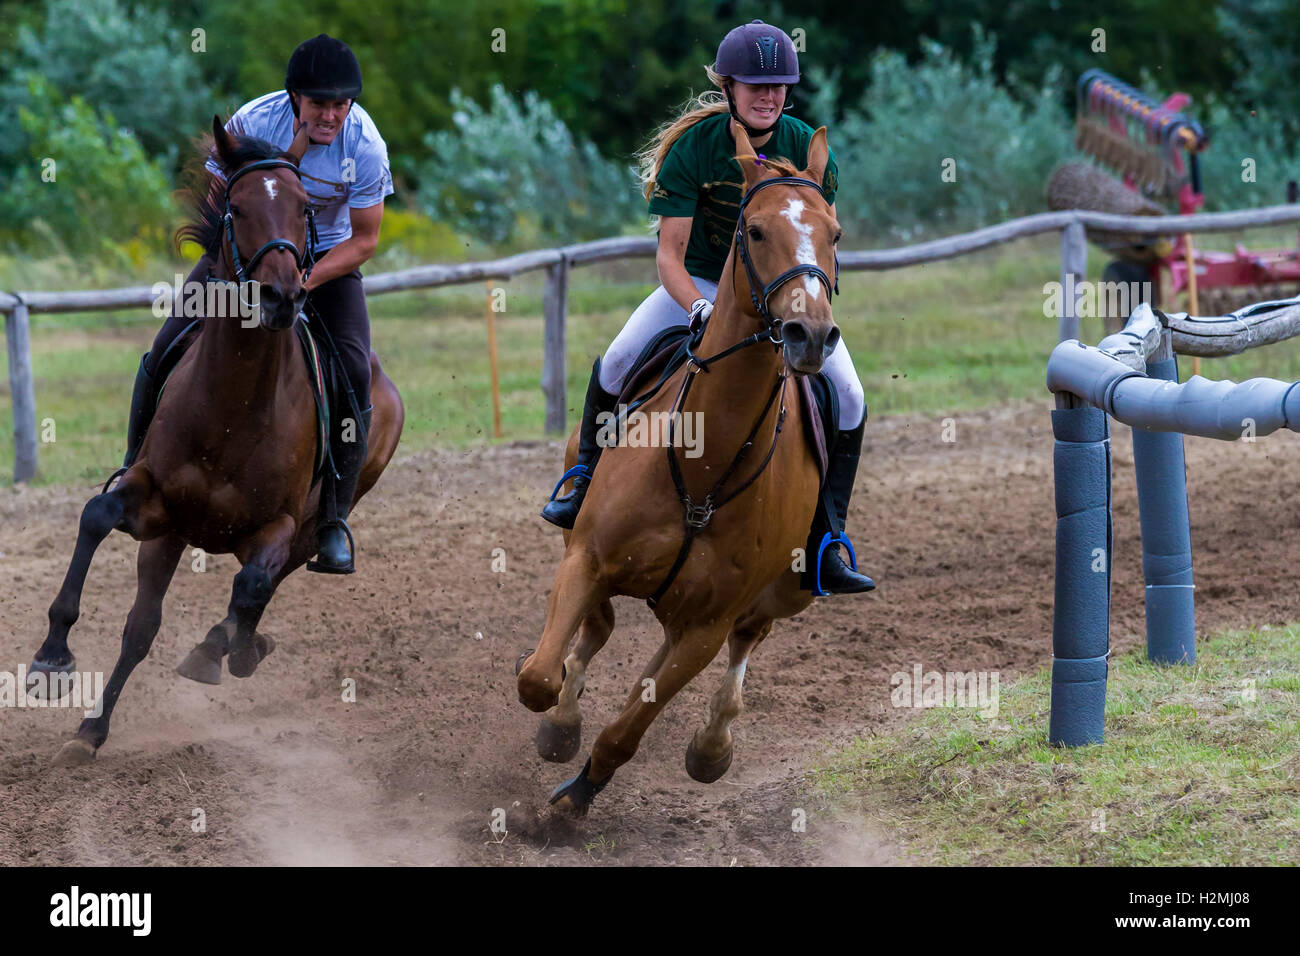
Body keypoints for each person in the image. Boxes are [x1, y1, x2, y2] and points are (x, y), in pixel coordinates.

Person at [541, 19, 873, 594]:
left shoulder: (808, 148)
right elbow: (669, 256)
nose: (768, 97)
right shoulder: (696, 149)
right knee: (618, 360)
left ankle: (828, 538)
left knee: (849, 396)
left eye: (777, 86)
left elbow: (819, 238)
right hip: (698, 283)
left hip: (780, 290)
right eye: (754, 86)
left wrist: (810, 296)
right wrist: (698, 306)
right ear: (729, 90)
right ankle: (583, 479)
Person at [122, 34, 393, 575]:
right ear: (294, 98)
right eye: (320, 104)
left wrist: (303, 279)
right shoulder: (254, 121)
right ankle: (133, 469)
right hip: (246, 257)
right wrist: (245, 268)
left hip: (328, 263)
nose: (332, 116)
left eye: (341, 105)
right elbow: (221, 203)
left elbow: (364, 240)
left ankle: (334, 520)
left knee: (357, 369)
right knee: (164, 343)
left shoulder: (364, 145)